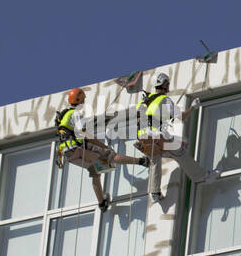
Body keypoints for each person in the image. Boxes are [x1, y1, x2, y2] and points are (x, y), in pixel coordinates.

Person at [55, 88, 148, 214]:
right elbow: (84, 134)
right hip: (77, 147)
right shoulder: (75, 113)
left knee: (96, 171)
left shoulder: (64, 114)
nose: (85, 100)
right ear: (79, 99)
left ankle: (102, 203)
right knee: (109, 155)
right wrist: (103, 146)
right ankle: (141, 161)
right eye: (83, 98)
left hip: (68, 154)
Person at [136, 72, 216, 202]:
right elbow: (181, 117)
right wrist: (193, 107)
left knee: (155, 158)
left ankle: (155, 192)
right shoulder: (165, 100)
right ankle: (204, 176)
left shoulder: (145, 99)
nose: (168, 86)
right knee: (180, 152)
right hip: (156, 136)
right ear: (164, 84)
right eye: (167, 84)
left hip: (143, 139)